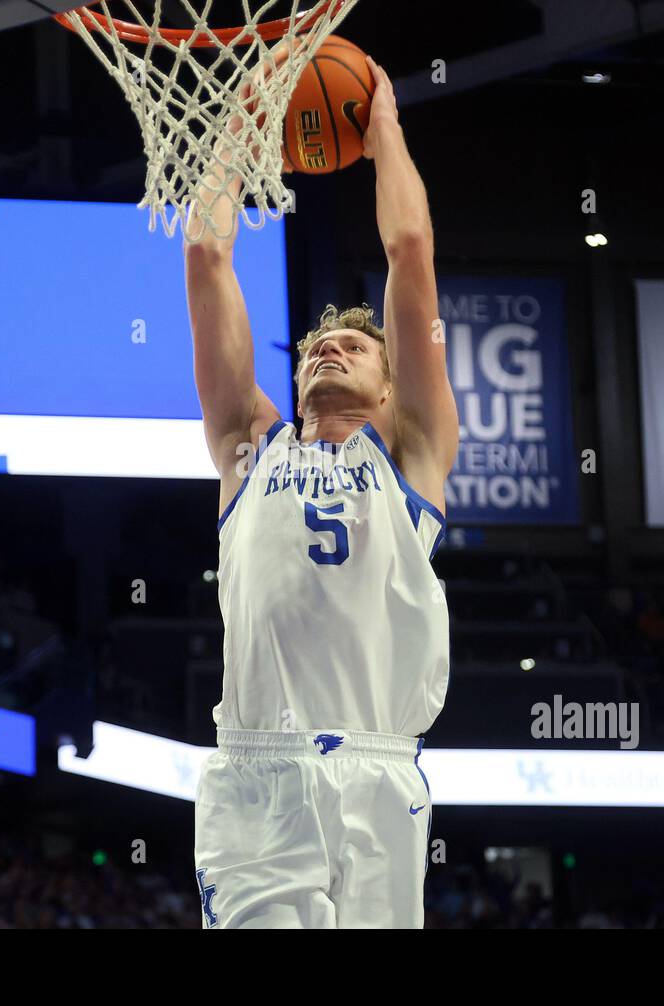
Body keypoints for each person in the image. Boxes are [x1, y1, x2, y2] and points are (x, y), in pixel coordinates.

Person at [185, 55, 459, 929]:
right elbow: (204, 249)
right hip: (260, 774)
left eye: (354, 348)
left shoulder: (409, 454)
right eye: (312, 350)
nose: (326, 351)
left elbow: (408, 249)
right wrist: (243, 124)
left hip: (380, 774)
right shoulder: (246, 449)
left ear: (390, 390)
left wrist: (383, 130)